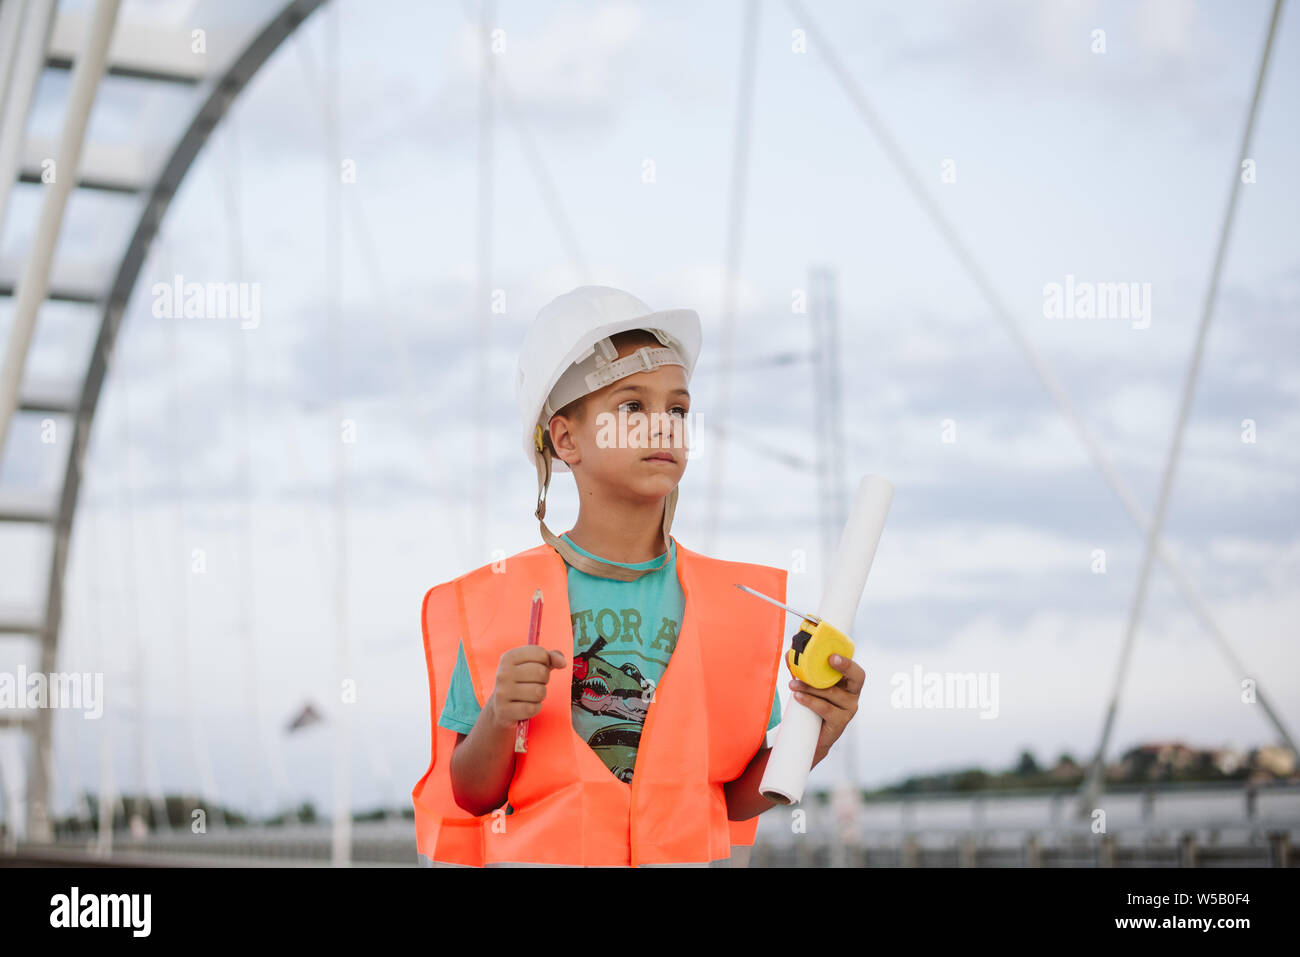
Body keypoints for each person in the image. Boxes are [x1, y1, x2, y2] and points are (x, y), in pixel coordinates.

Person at [411, 286, 864, 866]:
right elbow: (473, 794)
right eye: (633, 408)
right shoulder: (498, 603)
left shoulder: (728, 609)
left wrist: (814, 736)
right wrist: (499, 717)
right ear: (566, 439)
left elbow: (729, 797)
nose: (664, 426)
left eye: (677, 409)